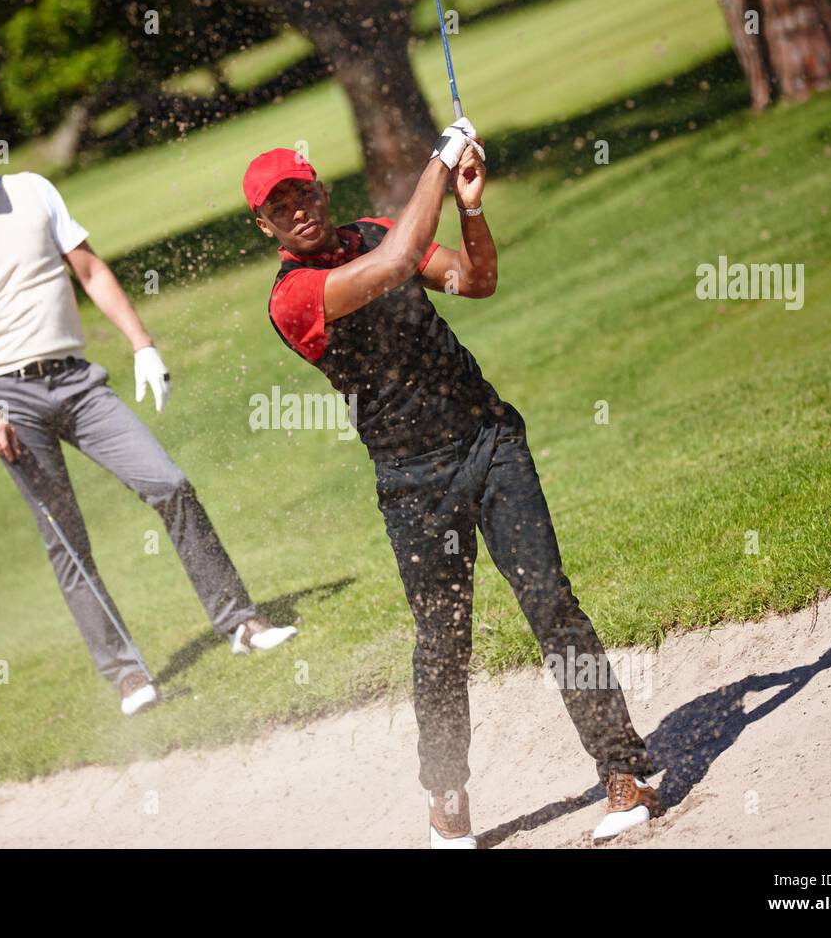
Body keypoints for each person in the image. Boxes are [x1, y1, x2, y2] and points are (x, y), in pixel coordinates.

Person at [244, 120, 662, 847]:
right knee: (443, 641)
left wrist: (471, 209)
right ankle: (447, 798)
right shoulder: (294, 296)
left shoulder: (374, 230)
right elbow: (397, 263)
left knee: (551, 602)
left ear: (321, 189)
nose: (297, 210)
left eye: (301, 194)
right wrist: (439, 160)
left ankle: (624, 771)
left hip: (489, 440)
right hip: (412, 482)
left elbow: (476, 281)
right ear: (265, 225)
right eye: (279, 207)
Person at [0, 109, 296, 718]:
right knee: (67, 540)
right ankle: (128, 675)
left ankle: (241, 623)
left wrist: (142, 345)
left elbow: (89, 269)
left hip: (77, 380)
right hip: (8, 399)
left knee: (168, 484)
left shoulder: (30, 191)